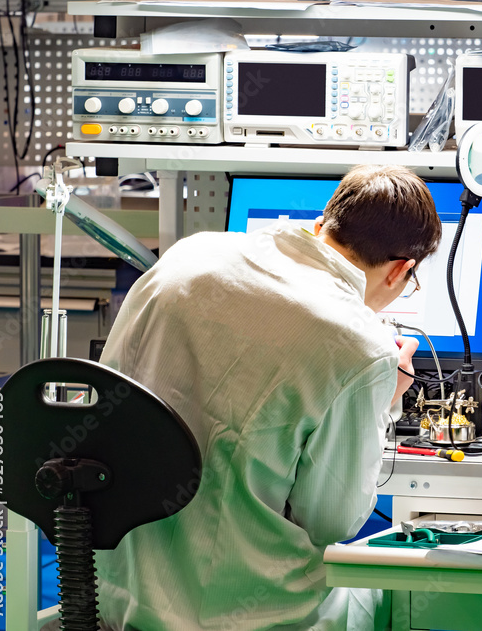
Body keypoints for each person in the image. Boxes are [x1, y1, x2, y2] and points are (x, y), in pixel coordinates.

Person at [93, 165, 442, 630]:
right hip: (246, 610)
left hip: (112, 591)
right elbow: (329, 522)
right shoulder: (362, 347)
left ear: (325, 223)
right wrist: (382, 400)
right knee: (397, 588)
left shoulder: (191, 253)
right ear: (402, 270)